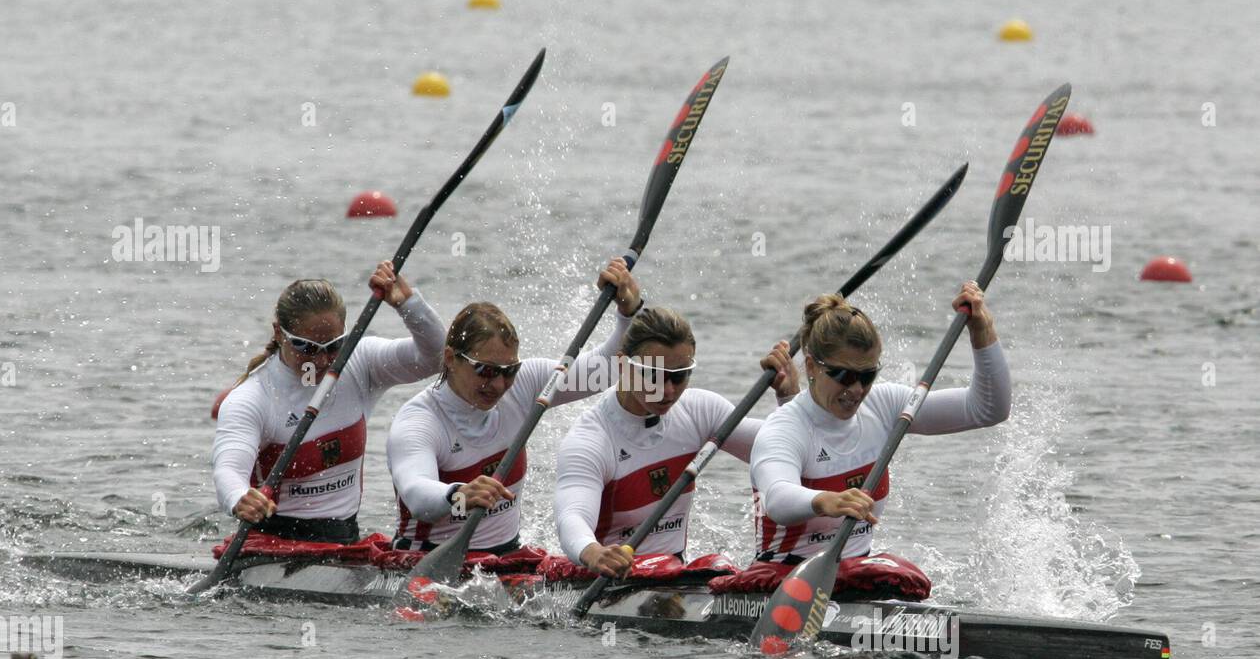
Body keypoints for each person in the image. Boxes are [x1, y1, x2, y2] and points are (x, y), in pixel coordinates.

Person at [387, 258, 643, 554]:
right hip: (428, 557)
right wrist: (459, 495)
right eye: (485, 370)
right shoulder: (420, 421)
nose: (498, 384)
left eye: (508, 370)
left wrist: (629, 311)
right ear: (450, 358)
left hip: (507, 558)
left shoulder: (525, 383)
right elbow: (417, 496)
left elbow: (606, 370)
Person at [750, 281, 1010, 566]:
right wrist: (826, 501)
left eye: (868, 375)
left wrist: (982, 330)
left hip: (854, 575)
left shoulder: (885, 405)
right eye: (844, 376)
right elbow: (776, 497)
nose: (858, 389)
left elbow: (987, 409)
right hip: (784, 577)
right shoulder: (784, 428)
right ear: (811, 366)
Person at [554, 306, 798, 577]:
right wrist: (591, 551)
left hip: (672, 574)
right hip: (611, 577)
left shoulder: (699, 410)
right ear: (622, 364)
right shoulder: (591, 440)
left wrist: (789, 399)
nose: (668, 390)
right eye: (654, 375)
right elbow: (571, 516)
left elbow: (785, 453)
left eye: (680, 375)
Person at [212, 263, 445, 544]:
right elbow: (228, 469)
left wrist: (409, 305)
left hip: (344, 538)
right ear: (278, 333)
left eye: (334, 346)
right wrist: (240, 498)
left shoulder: (360, 362)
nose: (321, 361)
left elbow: (437, 359)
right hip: (272, 543)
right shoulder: (252, 398)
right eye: (306, 348)